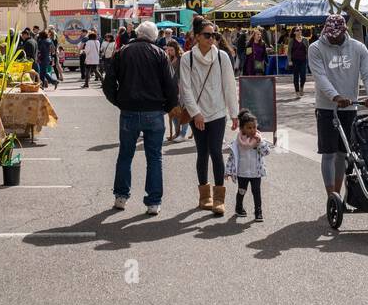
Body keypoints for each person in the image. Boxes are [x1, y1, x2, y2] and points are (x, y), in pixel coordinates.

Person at [105, 19, 178, 215]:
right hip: (154, 110)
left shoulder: (122, 52)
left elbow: (108, 82)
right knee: (154, 158)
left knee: (125, 155)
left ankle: (121, 196)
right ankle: (153, 202)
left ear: (137, 33)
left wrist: (118, 101)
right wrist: (168, 107)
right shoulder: (160, 54)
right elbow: (171, 85)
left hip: (129, 109)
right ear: (154, 37)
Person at [309, 14, 368, 198]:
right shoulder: (315, 48)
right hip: (327, 108)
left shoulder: (358, 48)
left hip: (350, 107)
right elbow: (320, 77)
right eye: (329, 34)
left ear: (344, 31)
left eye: (336, 35)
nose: (332, 37)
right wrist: (335, 96)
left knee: (343, 153)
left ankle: (337, 193)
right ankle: (331, 195)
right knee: (328, 153)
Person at [179, 21, 238, 216]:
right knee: (202, 152)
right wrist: (195, 113)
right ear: (196, 37)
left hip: (218, 112)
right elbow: (185, 88)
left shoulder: (222, 57)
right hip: (198, 112)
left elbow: (230, 86)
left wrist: (234, 113)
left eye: (214, 35)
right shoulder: (187, 58)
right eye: (207, 35)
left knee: (216, 152)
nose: (211, 38)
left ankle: (219, 198)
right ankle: (204, 196)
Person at [227, 108, 272, 221]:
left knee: (256, 192)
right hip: (242, 172)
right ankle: (239, 207)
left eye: (254, 127)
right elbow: (232, 157)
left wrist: (260, 143)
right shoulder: (237, 142)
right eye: (249, 128)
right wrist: (228, 171)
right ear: (242, 129)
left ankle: (258, 211)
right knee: (241, 191)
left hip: (256, 173)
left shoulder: (259, 140)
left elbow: (266, 152)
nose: (252, 130)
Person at [288, 26, 309, 98]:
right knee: (296, 77)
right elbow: (289, 52)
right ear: (294, 32)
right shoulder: (292, 40)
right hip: (295, 61)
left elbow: (308, 50)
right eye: (297, 30)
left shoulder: (305, 40)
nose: (299, 31)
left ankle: (301, 87)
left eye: (300, 30)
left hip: (303, 60)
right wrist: (290, 60)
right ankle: (297, 91)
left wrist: (309, 59)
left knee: (303, 76)